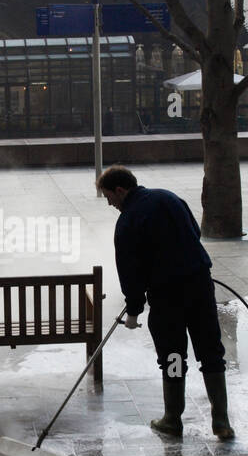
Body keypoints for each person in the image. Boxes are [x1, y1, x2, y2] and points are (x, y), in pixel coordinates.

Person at [97, 164, 234, 439]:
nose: (110, 204)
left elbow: (130, 271)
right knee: (210, 351)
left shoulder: (127, 222)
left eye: (109, 197)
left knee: (173, 355)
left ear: (120, 190)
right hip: (199, 284)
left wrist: (134, 310)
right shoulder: (170, 197)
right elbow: (194, 233)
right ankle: (221, 422)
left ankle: (172, 419)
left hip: (166, 295)